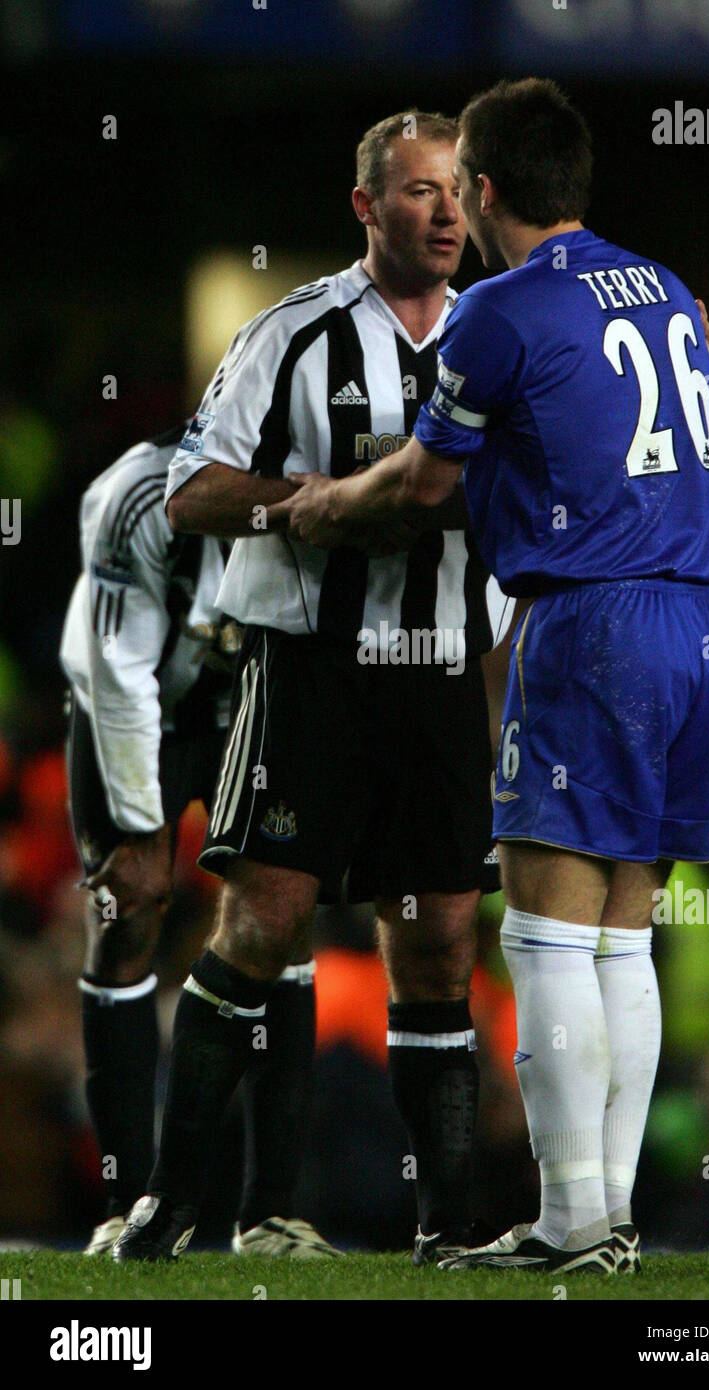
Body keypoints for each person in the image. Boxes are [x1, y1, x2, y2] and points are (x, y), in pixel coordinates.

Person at [277, 77, 709, 1276]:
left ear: (483, 190)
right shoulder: (672, 293)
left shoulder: (496, 310)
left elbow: (422, 485)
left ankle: (567, 1219)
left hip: (592, 624)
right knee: (623, 941)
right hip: (702, 626)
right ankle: (611, 1219)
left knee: (543, 933)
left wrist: (325, 501)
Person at [113, 112, 514, 1264]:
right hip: (310, 674)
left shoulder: (506, 334)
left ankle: (447, 1226)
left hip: (441, 678)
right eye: (418, 192)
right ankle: (176, 1199)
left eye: (456, 192)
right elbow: (187, 493)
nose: (444, 213)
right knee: (264, 922)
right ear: (365, 208)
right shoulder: (291, 333)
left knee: (440, 941)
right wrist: (307, 505)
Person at [61, 427, 336, 1259]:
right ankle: (124, 1204)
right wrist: (144, 828)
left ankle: (270, 1216)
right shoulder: (137, 496)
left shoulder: (315, 492)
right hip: (131, 706)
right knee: (130, 908)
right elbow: (117, 667)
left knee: (282, 916)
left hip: (244, 713)